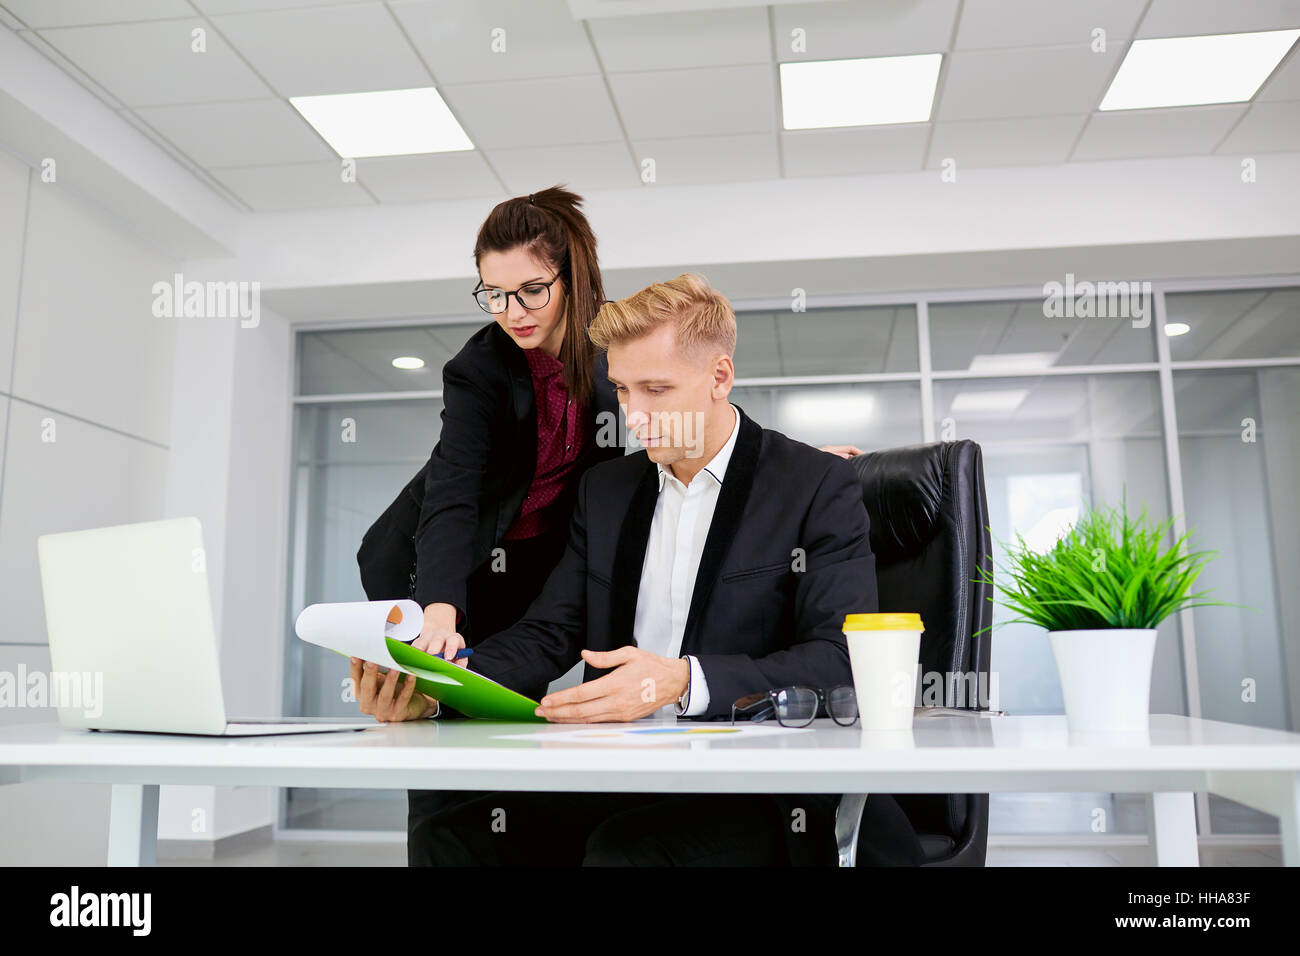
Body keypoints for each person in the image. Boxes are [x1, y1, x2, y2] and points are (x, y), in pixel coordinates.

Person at [360, 273, 925, 866]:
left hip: (766, 783)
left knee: (626, 851)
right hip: (629, 769)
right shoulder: (606, 492)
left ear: (720, 377)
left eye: (656, 389)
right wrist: (436, 687)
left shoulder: (814, 486)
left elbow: (840, 658)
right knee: (453, 834)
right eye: (623, 391)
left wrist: (681, 679)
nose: (634, 416)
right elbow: (549, 632)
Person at [354, 185, 623, 857]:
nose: (513, 311)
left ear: (574, 275)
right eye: (493, 293)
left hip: (527, 574)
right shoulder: (479, 368)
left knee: (508, 722)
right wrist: (438, 609)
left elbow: (684, 401)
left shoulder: (616, 346)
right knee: (442, 737)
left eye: (531, 290)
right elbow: (452, 497)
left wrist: (766, 453)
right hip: (438, 564)